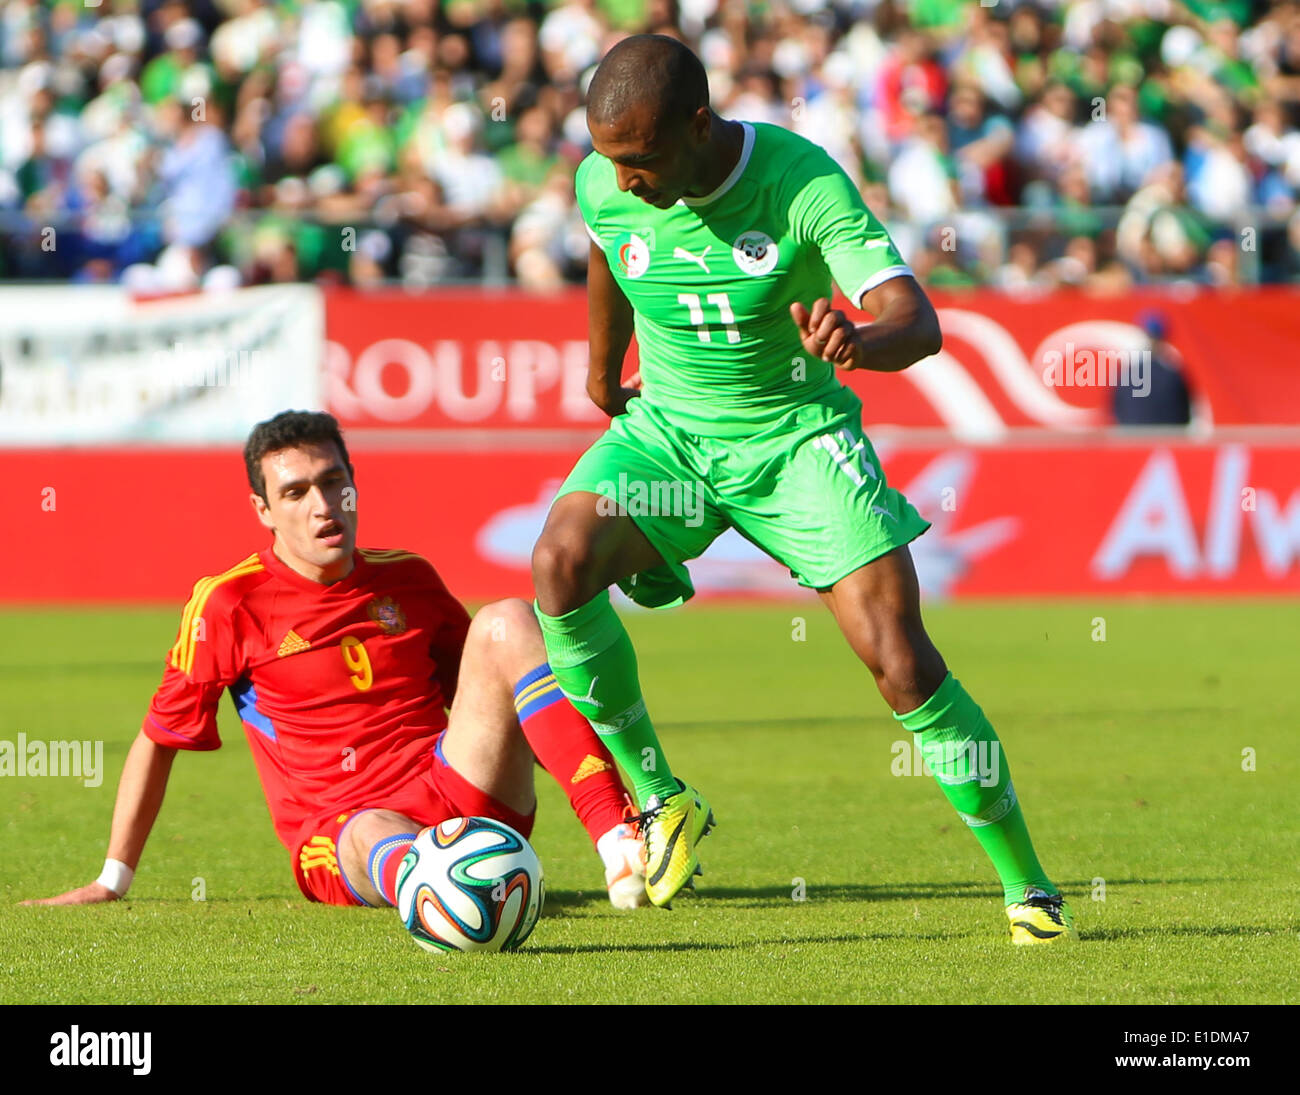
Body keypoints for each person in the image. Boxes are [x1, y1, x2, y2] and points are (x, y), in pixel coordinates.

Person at [531, 35, 1074, 942]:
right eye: (611, 160)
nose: (622, 181)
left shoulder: (802, 182)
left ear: (699, 126)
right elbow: (606, 249)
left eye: (641, 161)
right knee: (560, 561)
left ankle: (1030, 886)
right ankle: (660, 797)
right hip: (671, 438)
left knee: (901, 662)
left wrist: (862, 343)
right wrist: (601, 371)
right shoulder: (605, 178)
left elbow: (917, 319)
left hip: (797, 443)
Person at [25, 411, 646, 913]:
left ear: (353, 483)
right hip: (346, 831)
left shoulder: (409, 578)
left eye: (331, 482)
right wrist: (113, 877)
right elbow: (160, 739)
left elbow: (520, 704)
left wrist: (620, 784)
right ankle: (438, 889)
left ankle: (621, 842)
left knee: (509, 618)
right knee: (373, 829)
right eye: (295, 492)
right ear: (263, 510)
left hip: (461, 791)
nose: (322, 505)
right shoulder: (228, 603)